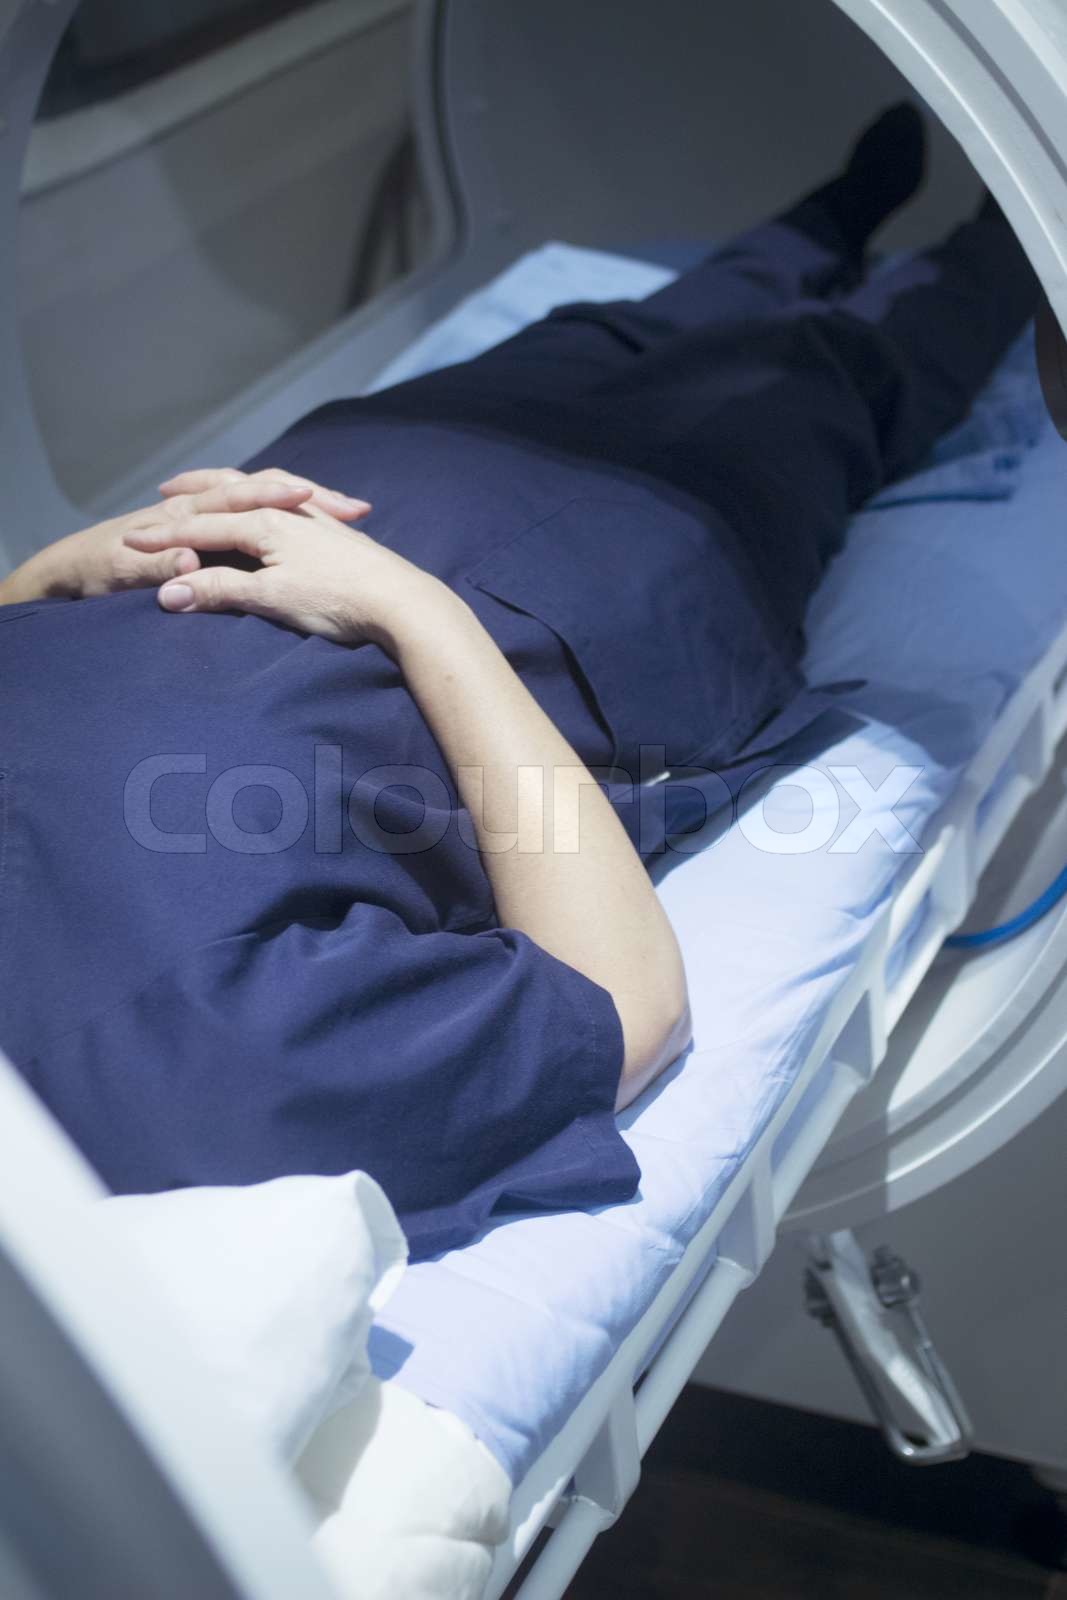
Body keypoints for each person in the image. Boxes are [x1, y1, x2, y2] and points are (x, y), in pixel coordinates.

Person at [0, 107, 1039, 1260]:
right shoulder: (199, 1076)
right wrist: (411, 611)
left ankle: (829, 216)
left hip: (355, 474)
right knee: (837, 384)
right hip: (590, 588)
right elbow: (626, 1005)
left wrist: (48, 572)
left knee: (620, 330)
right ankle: (1012, 236)